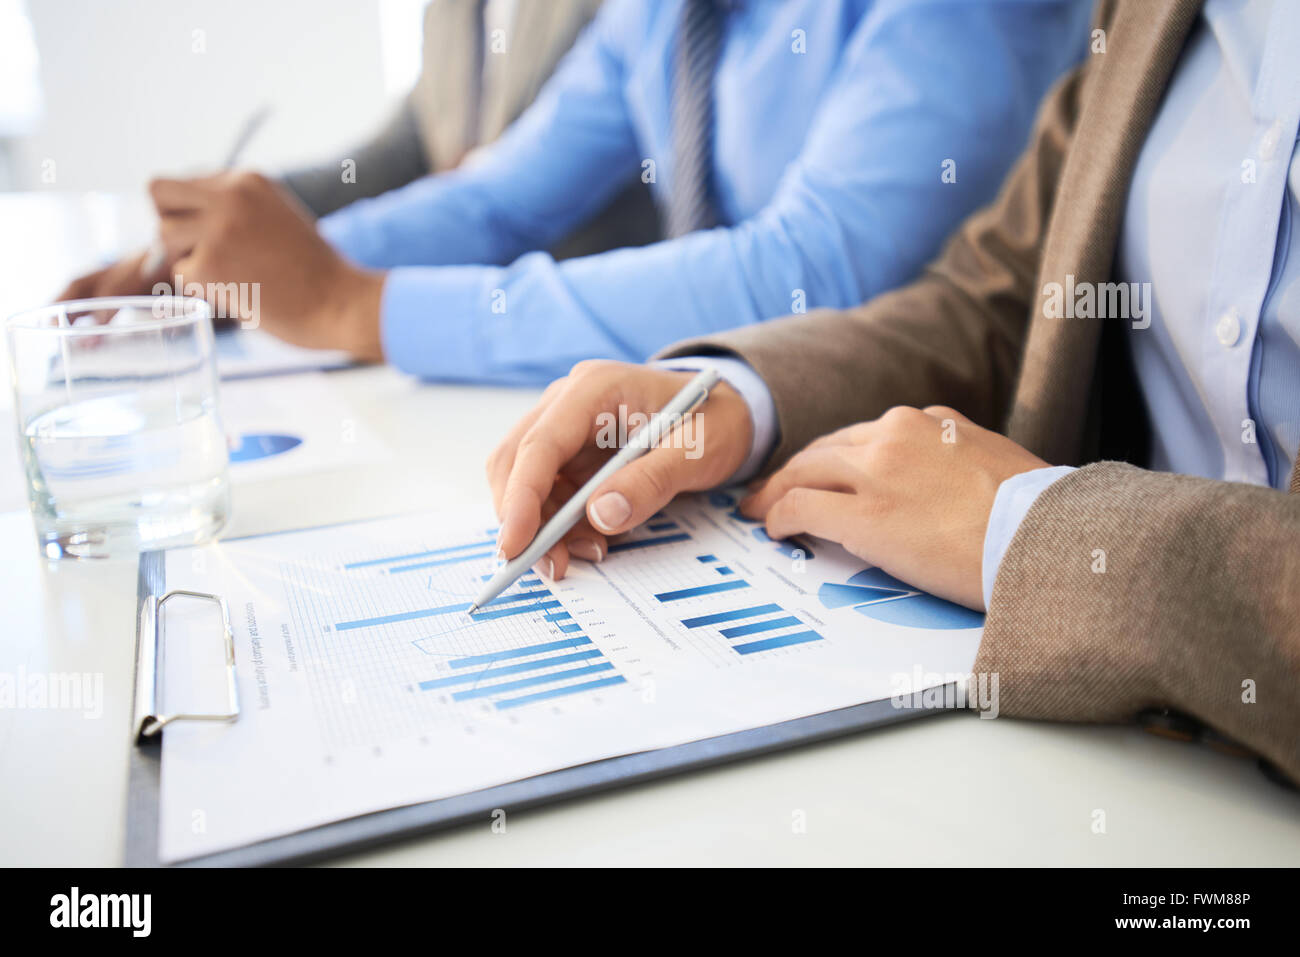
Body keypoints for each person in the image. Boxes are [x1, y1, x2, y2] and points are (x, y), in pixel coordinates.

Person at [485, 0, 1300, 785]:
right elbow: (1003, 294)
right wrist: (733, 397)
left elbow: (810, 257)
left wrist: (1034, 532)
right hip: (1123, 756)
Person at [86, 0, 1092, 383]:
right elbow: (500, 201)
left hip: (910, 426)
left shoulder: (955, 13)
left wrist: (358, 305)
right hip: (717, 430)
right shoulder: (659, 16)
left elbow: (808, 269)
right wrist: (240, 276)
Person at [57, 0, 657, 302]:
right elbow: (402, 151)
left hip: (574, 302)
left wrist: (284, 268)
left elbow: (505, 195)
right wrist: (236, 219)